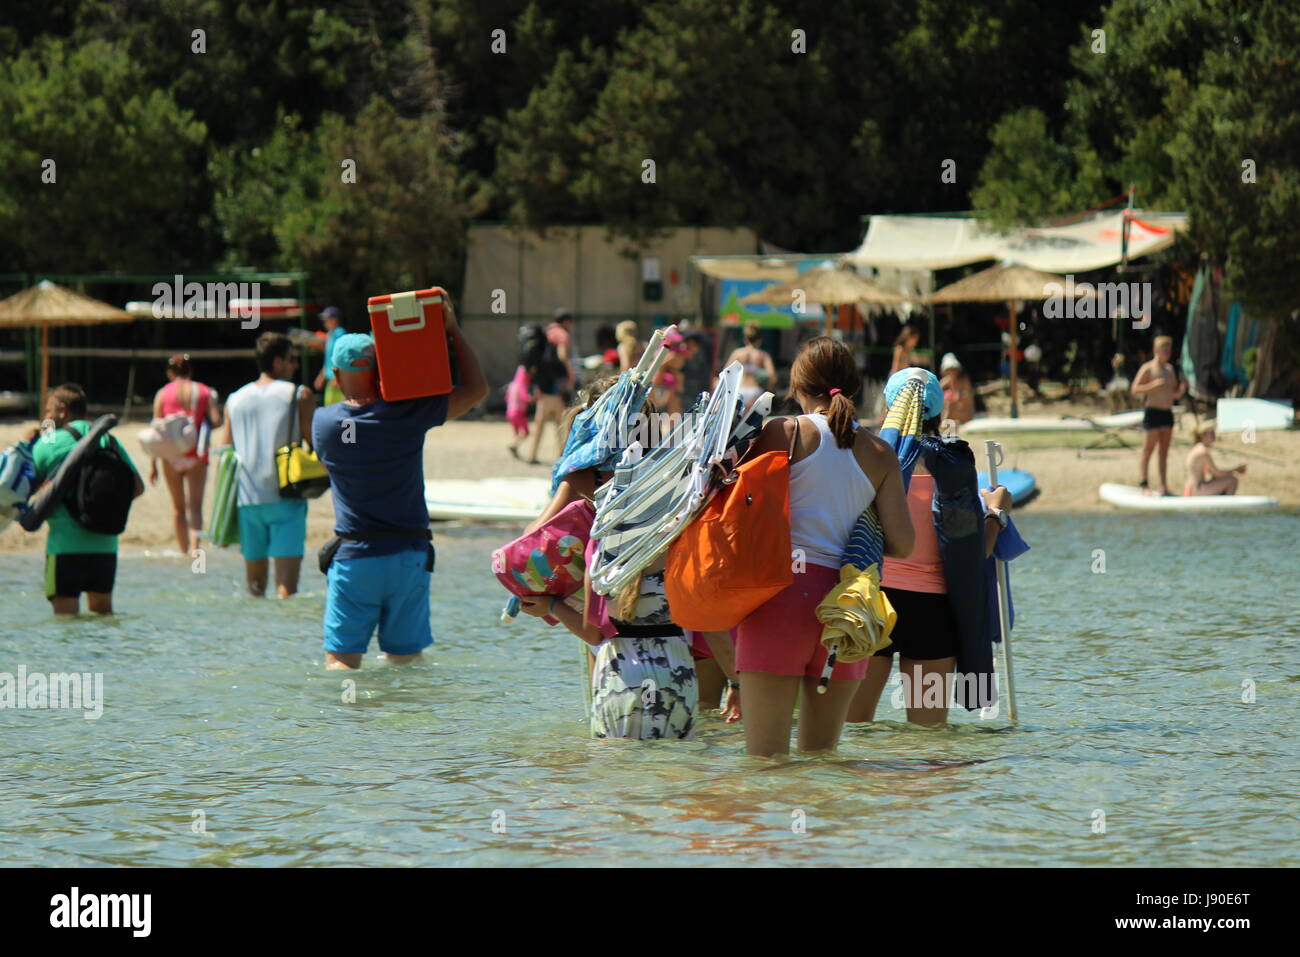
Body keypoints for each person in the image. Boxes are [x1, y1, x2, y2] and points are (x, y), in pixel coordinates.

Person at [732, 337, 915, 757]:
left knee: (766, 761)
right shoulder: (880, 452)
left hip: (780, 598)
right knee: (822, 762)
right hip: (848, 608)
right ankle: (825, 824)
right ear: (851, 387)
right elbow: (904, 544)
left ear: (797, 387)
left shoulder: (783, 432)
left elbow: (732, 504)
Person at [517, 378, 704, 739]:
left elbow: (531, 543)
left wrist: (551, 604)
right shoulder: (673, 490)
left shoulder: (586, 477)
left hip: (605, 613)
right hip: (674, 648)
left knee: (612, 761)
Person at [313, 312, 488, 670]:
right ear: (381, 370)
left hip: (357, 557)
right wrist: (451, 330)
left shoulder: (325, 423)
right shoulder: (408, 414)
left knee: (341, 663)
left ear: (335, 375)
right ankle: (407, 726)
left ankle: (348, 725)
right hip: (409, 555)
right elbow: (477, 390)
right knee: (406, 665)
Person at [847, 369, 1011, 727]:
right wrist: (996, 514)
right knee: (928, 739)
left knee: (852, 730)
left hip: (873, 604)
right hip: (933, 616)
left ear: (891, 407)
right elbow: (969, 554)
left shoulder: (867, 456)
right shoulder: (954, 465)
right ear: (938, 413)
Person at [26, 383, 145, 615]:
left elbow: (25, 486)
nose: (46, 417)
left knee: (66, 626)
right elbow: (137, 487)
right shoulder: (108, 440)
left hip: (64, 547)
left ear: (62, 410)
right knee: (102, 620)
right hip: (106, 545)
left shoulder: (51, 442)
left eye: (49, 411)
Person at [216, 331, 316, 598]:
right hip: (286, 496)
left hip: (247, 500)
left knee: (254, 589)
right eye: (292, 359)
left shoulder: (235, 399)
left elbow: (226, 453)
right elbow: (316, 442)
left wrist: (220, 516)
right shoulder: (298, 394)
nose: (295, 365)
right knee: (288, 591)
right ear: (277, 362)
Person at [148, 354, 221, 554]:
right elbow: (216, 420)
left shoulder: (162, 394)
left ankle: (183, 552)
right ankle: (196, 552)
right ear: (190, 371)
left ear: (170, 373)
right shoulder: (204, 391)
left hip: (170, 454)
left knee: (178, 509)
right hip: (196, 453)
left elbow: (156, 431)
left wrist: (153, 464)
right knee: (195, 507)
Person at [1131, 334, 1186, 495]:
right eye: (1164, 349)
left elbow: (1174, 393)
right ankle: (1144, 483)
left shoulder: (1170, 370)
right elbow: (1134, 389)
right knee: (1148, 450)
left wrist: (1182, 389)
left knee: (1164, 452)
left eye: (1169, 349)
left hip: (1167, 413)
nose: (1167, 352)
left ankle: (1163, 486)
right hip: (1153, 412)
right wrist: (1152, 386)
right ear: (1156, 350)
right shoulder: (1148, 368)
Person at [524, 308, 576, 464]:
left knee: (540, 421)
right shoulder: (562, 335)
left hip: (542, 382)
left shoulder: (546, 332)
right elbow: (562, 356)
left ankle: (532, 454)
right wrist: (571, 374)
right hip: (554, 385)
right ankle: (561, 456)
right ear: (566, 321)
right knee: (561, 422)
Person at [1184, 420, 1245, 496]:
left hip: (1192, 488)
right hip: (1196, 489)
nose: (1214, 436)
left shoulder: (1198, 448)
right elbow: (1218, 474)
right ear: (1202, 435)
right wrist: (1237, 470)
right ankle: (1225, 507)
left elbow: (1214, 474)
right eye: (1211, 434)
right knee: (1232, 480)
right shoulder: (1202, 451)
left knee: (1223, 480)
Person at [727, 321, 776, 413]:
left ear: (745, 339)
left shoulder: (737, 353)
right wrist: (769, 388)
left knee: (738, 417)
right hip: (755, 390)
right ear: (759, 340)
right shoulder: (763, 355)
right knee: (750, 419)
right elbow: (772, 375)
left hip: (739, 389)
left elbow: (726, 372)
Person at [312, 306, 345, 406]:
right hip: (331, 379)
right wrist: (322, 375)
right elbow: (329, 358)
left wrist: (337, 377)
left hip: (337, 380)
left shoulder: (340, 333)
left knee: (338, 408)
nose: (324, 322)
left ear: (335, 319)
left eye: (327, 319)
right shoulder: (330, 334)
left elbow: (342, 356)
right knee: (329, 406)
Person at [939, 352, 975, 424]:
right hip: (956, 411)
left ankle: (942, 427)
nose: (952, 372)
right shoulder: (949, 380)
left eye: (953, 369)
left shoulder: (964, 381)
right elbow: (936, 389)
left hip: (967, 412)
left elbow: (962, 400)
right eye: (949, 369)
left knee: (949, 405)